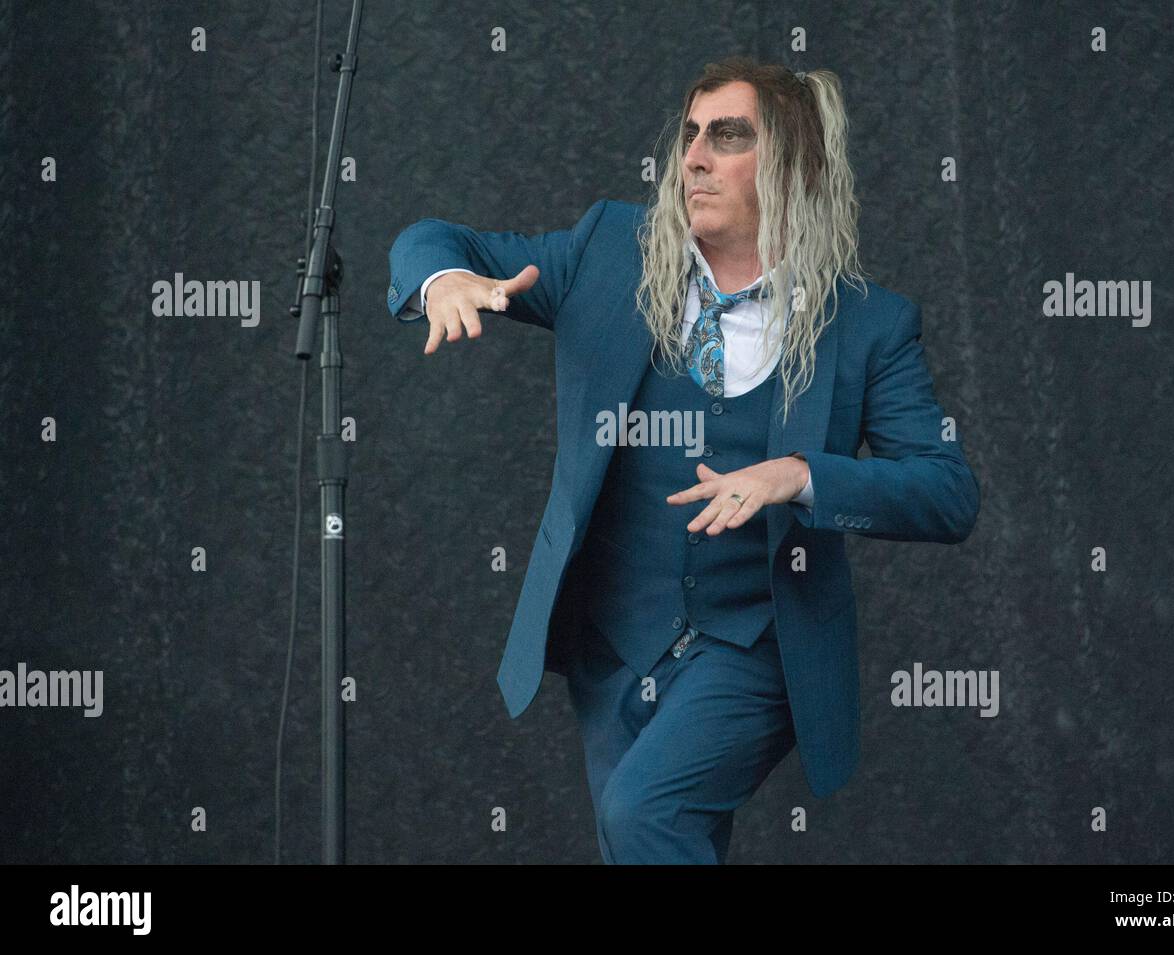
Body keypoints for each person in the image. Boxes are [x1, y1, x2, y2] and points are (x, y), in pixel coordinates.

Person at [385, 56, 979, 863]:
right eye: (690, 133)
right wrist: (445, 279)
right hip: (615, 643)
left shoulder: (869, 323)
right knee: (645, 837)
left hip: (754, 646)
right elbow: (431, 238)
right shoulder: (607, 254)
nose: (693, 156)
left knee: (643, 815)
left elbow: (946, 492)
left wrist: (800, 475)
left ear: (794, 165)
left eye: (727, 137)